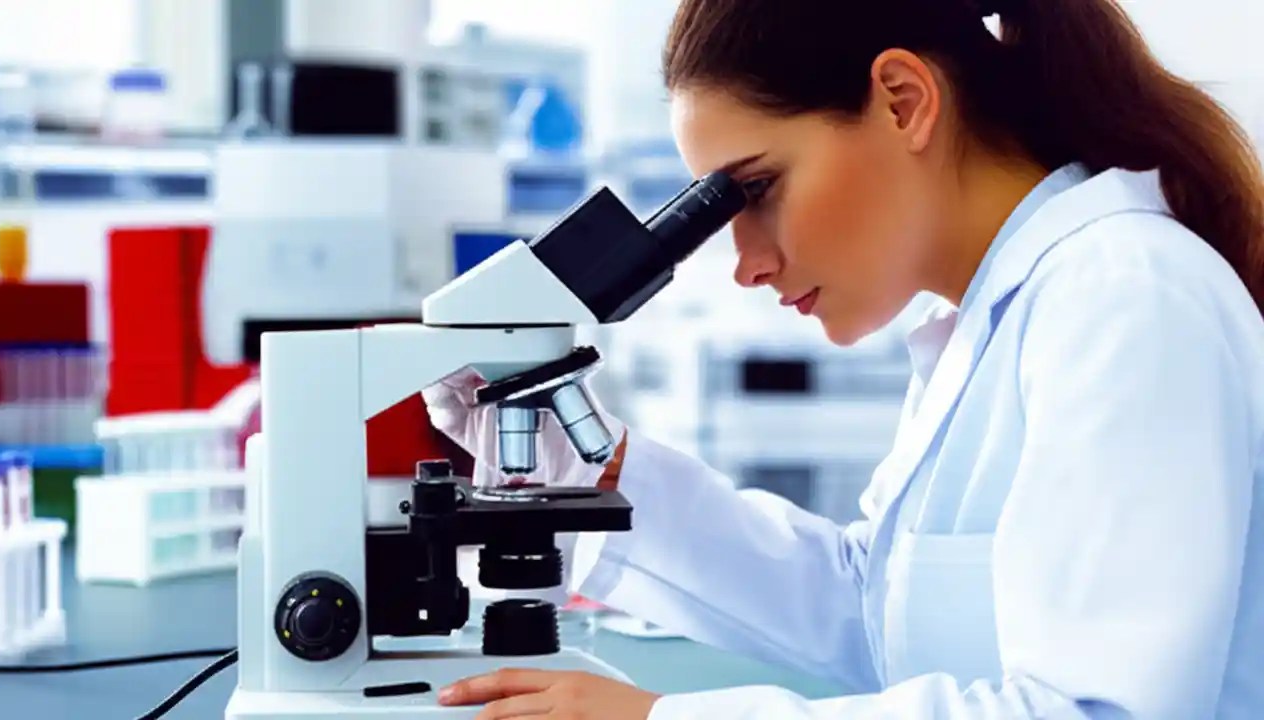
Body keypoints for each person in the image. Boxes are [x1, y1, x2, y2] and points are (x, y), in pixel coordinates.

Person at [425, 0, 1264, 717]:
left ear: (902, 101)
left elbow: (1093, 710)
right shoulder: (992, 323)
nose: (746, 261)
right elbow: (870, 613)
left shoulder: (1126, 295)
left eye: (754, 191)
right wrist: (595, 467)